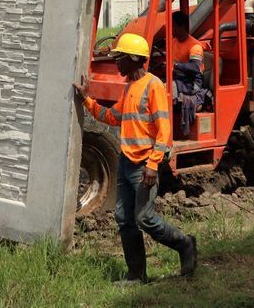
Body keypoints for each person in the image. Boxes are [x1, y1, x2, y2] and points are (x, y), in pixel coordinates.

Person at [73, 32, 197, 283]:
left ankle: (185, 244)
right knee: (124, 218)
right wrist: (86, 99)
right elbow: (112, 117)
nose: (116, 63)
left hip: (144, 167)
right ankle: (136, 275)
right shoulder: (130, 86)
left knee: (145, 218)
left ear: (132, 58)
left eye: (119, 58)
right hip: (127, 163)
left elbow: (164, 132)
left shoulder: (154, 86)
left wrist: (153, 165)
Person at [171, 11, 209, 136]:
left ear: (181, 27)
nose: (171, 29)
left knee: (167, 89)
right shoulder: (174, 42)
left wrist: (175, 65)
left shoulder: (195, 46)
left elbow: (195, 67)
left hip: (192, 83)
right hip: (179, 79)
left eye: (173, 26)